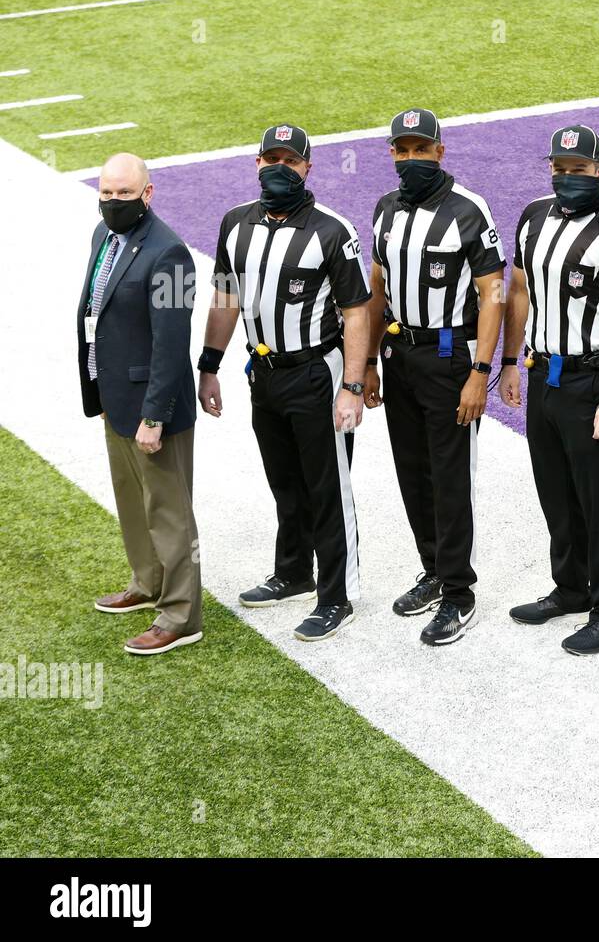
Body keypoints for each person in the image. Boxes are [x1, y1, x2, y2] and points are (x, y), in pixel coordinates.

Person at [197, 124, 370, 642]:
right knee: (285, 481)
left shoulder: (333, 230)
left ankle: (338, 596)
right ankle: (294, 571)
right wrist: (209, 365)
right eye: (270, 158)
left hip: (318, 372)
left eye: (290, 160)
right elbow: (227, 300)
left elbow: (357, 315)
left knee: (328, 486)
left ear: (307, 167)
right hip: (264, 373)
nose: (279, 168)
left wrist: (353, 387)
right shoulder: (235, 225)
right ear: (256, 163)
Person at [500, 124, 599, 656]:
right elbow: (517, 291)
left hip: (593, 381)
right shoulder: (533, 216)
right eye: (560, 169)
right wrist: (511, 361)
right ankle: (571, 588)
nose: (568, 178)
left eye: (579, 170)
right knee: (556, 494)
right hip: (543, 373)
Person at [362, 108, 506, 645]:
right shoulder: (385, 210)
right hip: (400, 353)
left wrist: (481, 370)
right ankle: (433, 569)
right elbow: (376, 289)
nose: (411, 158)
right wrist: (370, 361)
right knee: (413, 471)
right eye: (402, 149)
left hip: (450, 357)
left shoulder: (469, 208)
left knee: (449, 477)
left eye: (421, 149)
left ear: (440, 152)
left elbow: (494, 291)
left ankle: (459, 593)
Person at [78, 153, 202, 656]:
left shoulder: (170, 252)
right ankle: (146, 582)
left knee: (169, 513)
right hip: (115, 397)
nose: (113, 202)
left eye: (124, 194)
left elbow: (171, 345)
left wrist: (155, 415)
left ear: (147, 194)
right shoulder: (102, 236)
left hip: (154, 408)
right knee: (133, 502)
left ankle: (180, 615)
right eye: (107, 192)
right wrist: (100, 391)